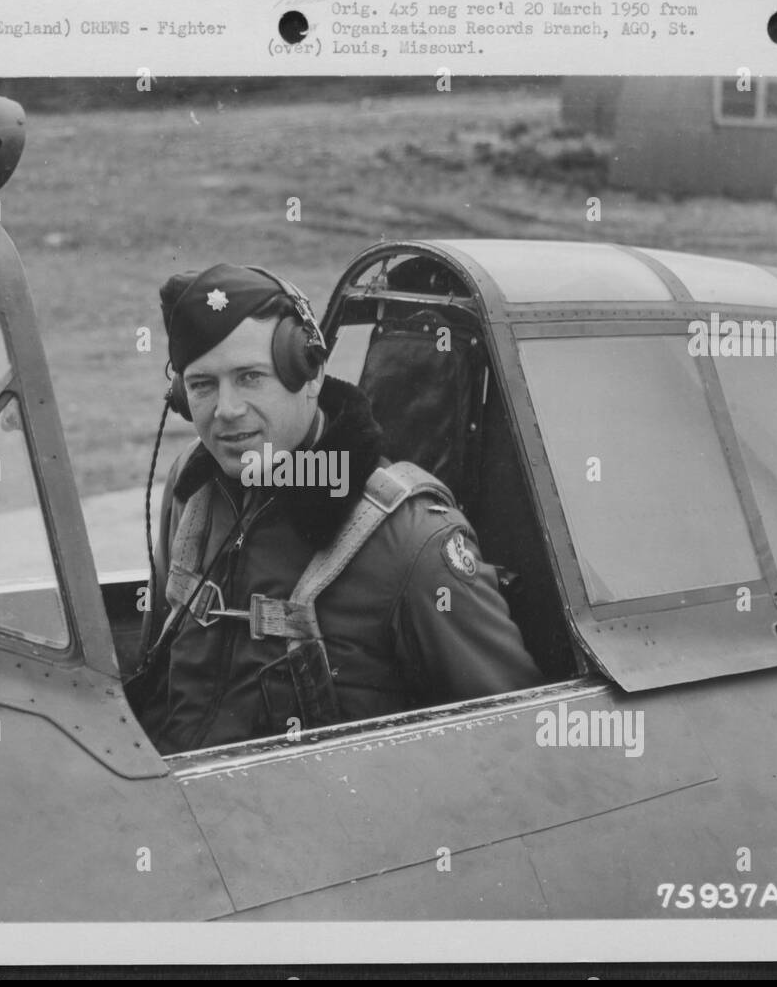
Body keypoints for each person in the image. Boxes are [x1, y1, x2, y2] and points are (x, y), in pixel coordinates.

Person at [131, 263, 542, 754]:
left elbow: (518, 741)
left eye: (250, 378)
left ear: (311, 372)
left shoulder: (411, 541)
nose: (226, 410)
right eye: (202, 385)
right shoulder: (193, 493)